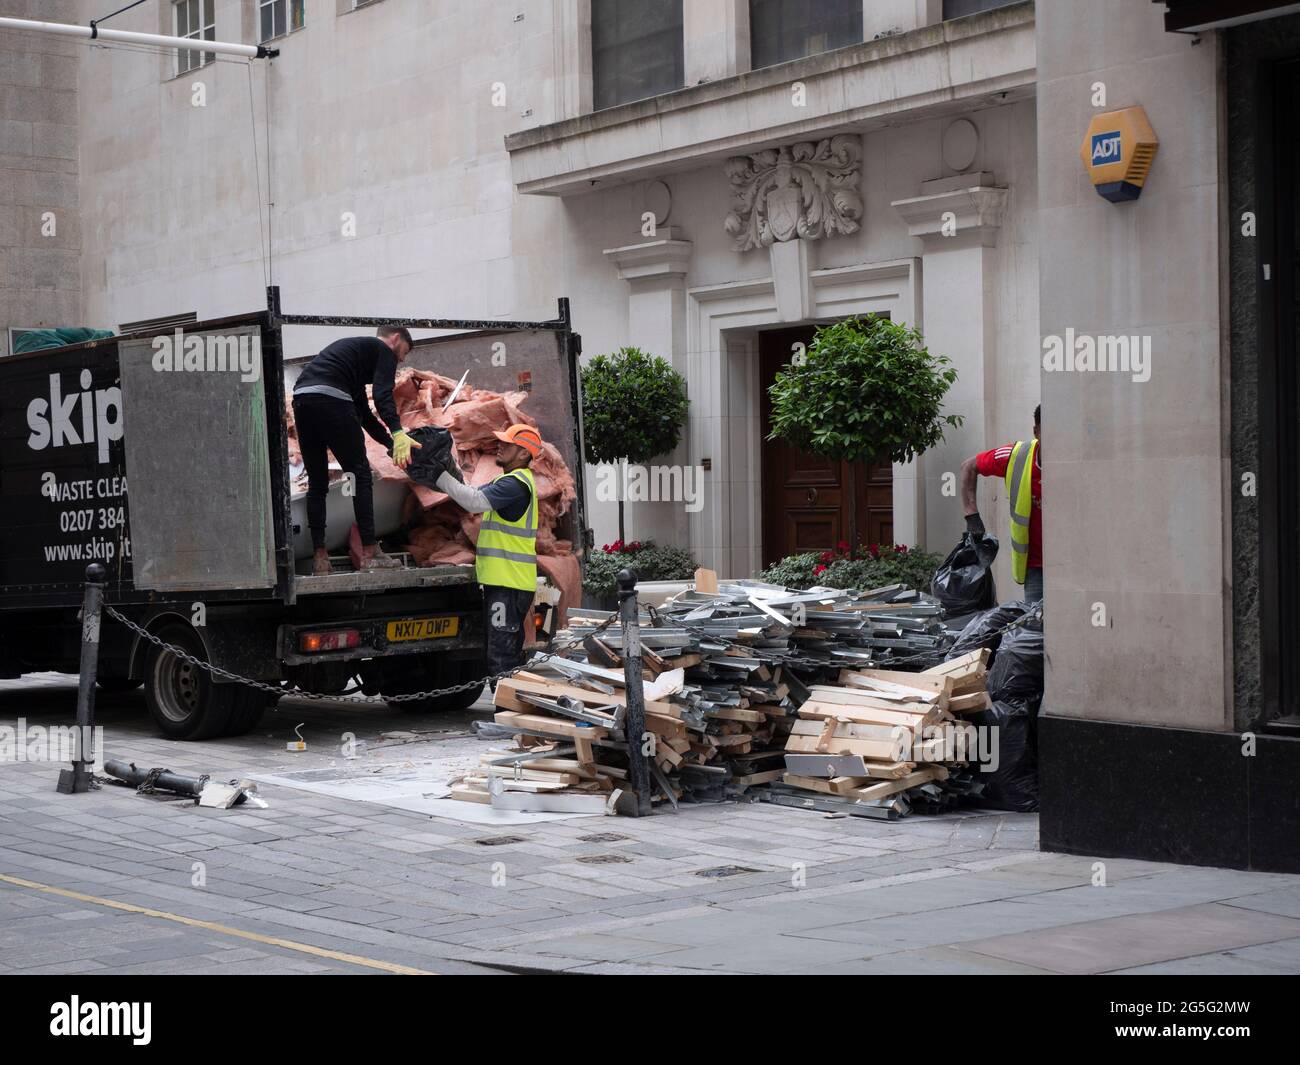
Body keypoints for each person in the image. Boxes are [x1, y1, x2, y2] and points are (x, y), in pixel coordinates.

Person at [292, 326, 421, 574]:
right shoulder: (383, 350)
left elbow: (363, 415)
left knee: (317, 483)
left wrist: (390, 443)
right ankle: (371, 552)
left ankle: (321, 557)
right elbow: (383, 396)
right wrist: (397, 430)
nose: (401, 360)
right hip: (331, 400)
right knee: (360, 474)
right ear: (395, 339)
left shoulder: (351, 362)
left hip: (303, 400)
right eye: (402, 353)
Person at [430, 424, 541, 682]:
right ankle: (506, 712)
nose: (499, 446)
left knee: (501, 657)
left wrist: (439, 476)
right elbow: (471, 493)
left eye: (508, 444)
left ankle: (505, 715)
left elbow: (472, 502)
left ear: (524, 454)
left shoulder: (515, 485)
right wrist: (449, 471)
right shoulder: (508, 482)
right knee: (502, 653)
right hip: (506, 583)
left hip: (509, 583)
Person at [961, 404, 1042, 603]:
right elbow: (968, 467)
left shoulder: (1077, 460)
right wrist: (972, 516)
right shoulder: (1017, 456)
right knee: (1035, 629)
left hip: (1073, 567)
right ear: (1036, 431)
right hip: (1035, 568)